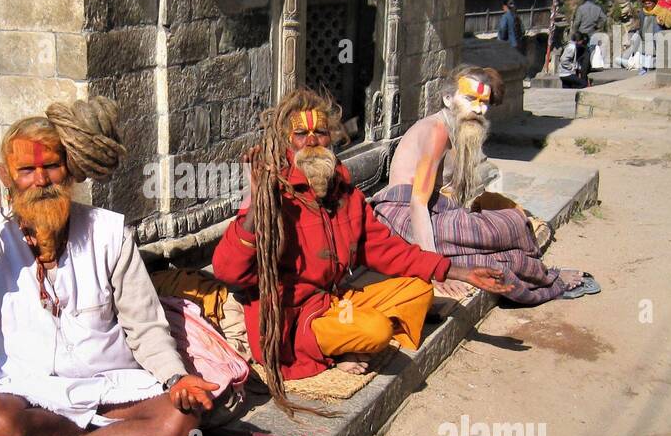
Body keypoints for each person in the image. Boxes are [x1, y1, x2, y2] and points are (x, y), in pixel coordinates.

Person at [0, 98, 217, 436]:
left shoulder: (108, 233)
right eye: (27, 170)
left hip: (112, 388)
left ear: (69, 170)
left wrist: (176, 378)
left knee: (183, 419)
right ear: (6, 177)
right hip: (34, 395)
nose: (41, 181)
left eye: (51, 167)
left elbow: (144, 325)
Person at [211, 88, 508, 412]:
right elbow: (228, 271)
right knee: (375, 329)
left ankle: (347, 338)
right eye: (300, 134)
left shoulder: (346, 195)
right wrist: (258, 202)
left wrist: (460, 271)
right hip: (293, 320)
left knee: (418, 291)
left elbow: (390, 250)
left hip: (335, 301)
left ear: (332, 138)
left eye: (320, 133)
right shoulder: (273, 193)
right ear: (286, 141)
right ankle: (340, 347)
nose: (311, 142)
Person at [372, 68, 593, 305]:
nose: (478, 109)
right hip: (402, 218)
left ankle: (543, 275)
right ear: (448, 99)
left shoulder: (456, 128)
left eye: (483, 102)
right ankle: (547, 279)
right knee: (507, 226)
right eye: (469, 99)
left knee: (503, 235)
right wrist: (436, 272)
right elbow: (417, 203)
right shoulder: (437, 131)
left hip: (433, 215)